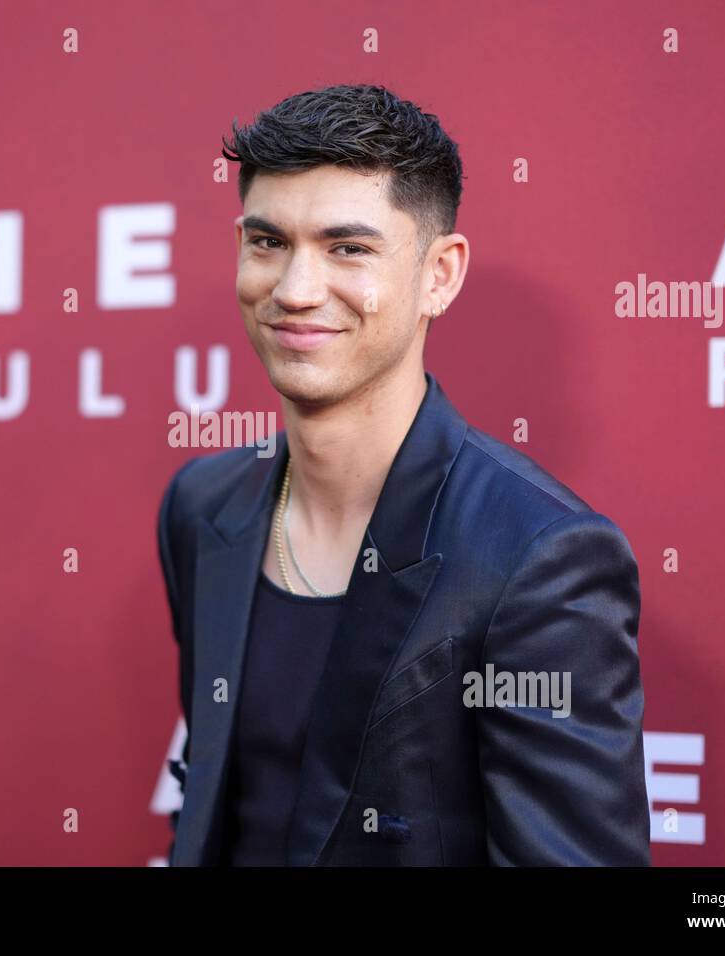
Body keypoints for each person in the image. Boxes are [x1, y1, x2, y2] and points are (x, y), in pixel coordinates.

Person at [157, 83, 650, 866]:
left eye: (348, 248)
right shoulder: (203, 506)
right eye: (267, 242)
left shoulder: (538, 558)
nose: (293, 290)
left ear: (440, 275)